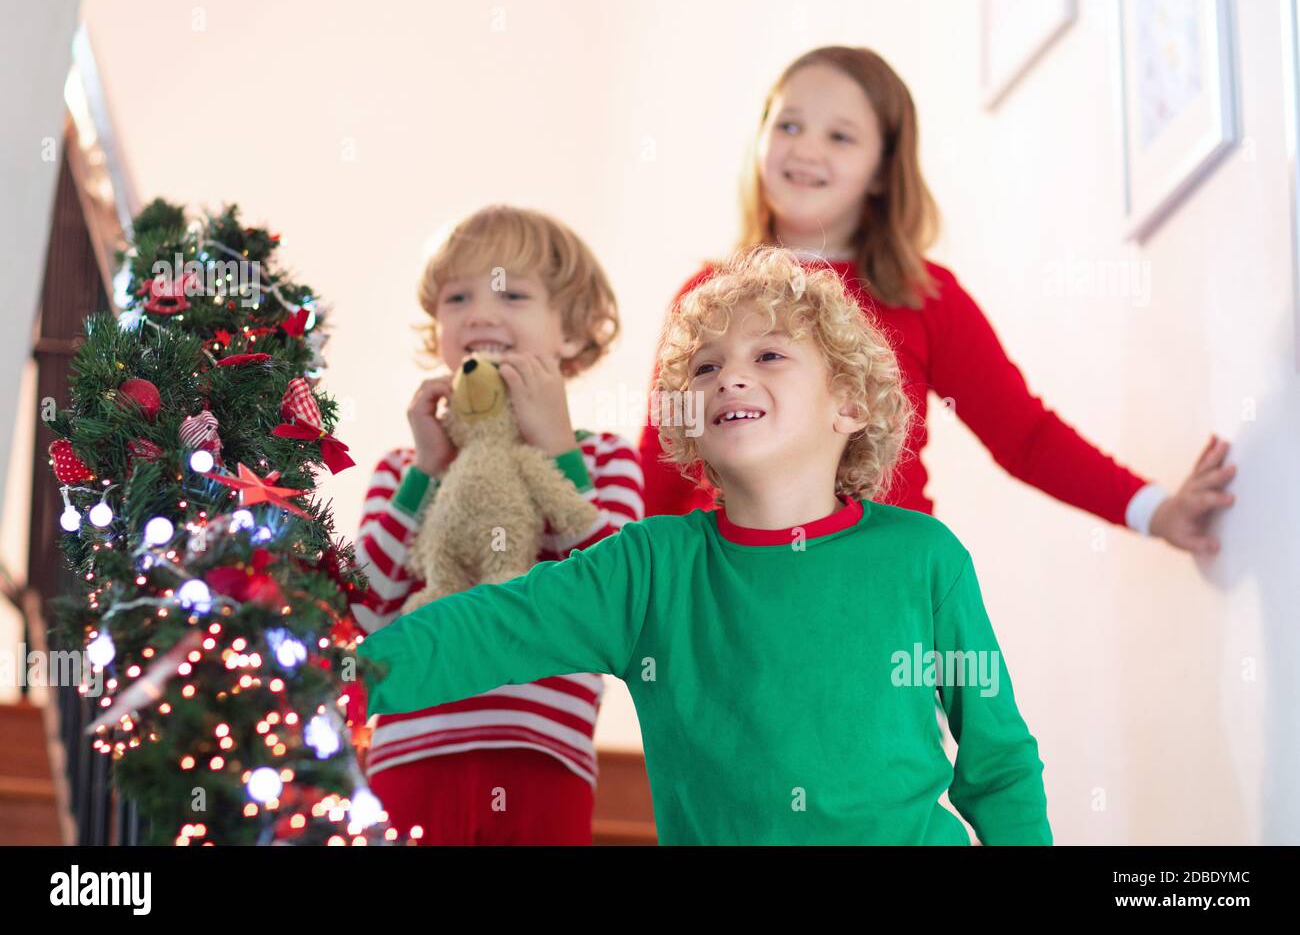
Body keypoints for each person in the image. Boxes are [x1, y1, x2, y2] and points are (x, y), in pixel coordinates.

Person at [358, 247, 1052, 845]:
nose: (728, 377)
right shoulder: (649, 568)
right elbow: (491, 627)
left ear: (849, 405)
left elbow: (999, 762)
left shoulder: (924, 556)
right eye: (704, 369)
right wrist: (337, 679)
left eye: (769, 354)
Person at [637, 46, 1235, 556]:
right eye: (789, 126)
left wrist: (1153, 510)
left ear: (881, 169)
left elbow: (1025, 436)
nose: (807, 149)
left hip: (881, 594)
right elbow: (665, 462)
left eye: (840, 135)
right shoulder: (705, 300)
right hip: (725, 596)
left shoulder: (925, 299)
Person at [348, 205, 644, 844]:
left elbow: (617, 603)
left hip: (544, 757)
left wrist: (558, 446)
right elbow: (363, 613)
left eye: (512, 292)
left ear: (571, 333)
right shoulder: (403, 467)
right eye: (459, 297)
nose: (480, 312)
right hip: (407, 752)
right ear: (438, 330)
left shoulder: (604, 456)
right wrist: (426, 469)